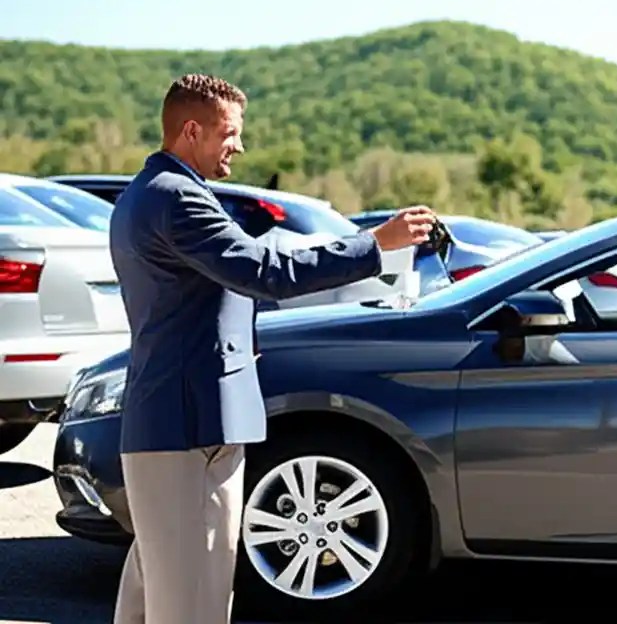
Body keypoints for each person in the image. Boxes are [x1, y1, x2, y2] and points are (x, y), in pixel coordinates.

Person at [108, 73, 438, 624]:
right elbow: (266, 272)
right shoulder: (176, 199)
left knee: (154, 590)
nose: (238, 145)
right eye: (230, 132)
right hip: (192, 429)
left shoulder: (150, 193)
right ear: (192, 130)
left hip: (174, 425)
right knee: (193, 599)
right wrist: (376, 244)